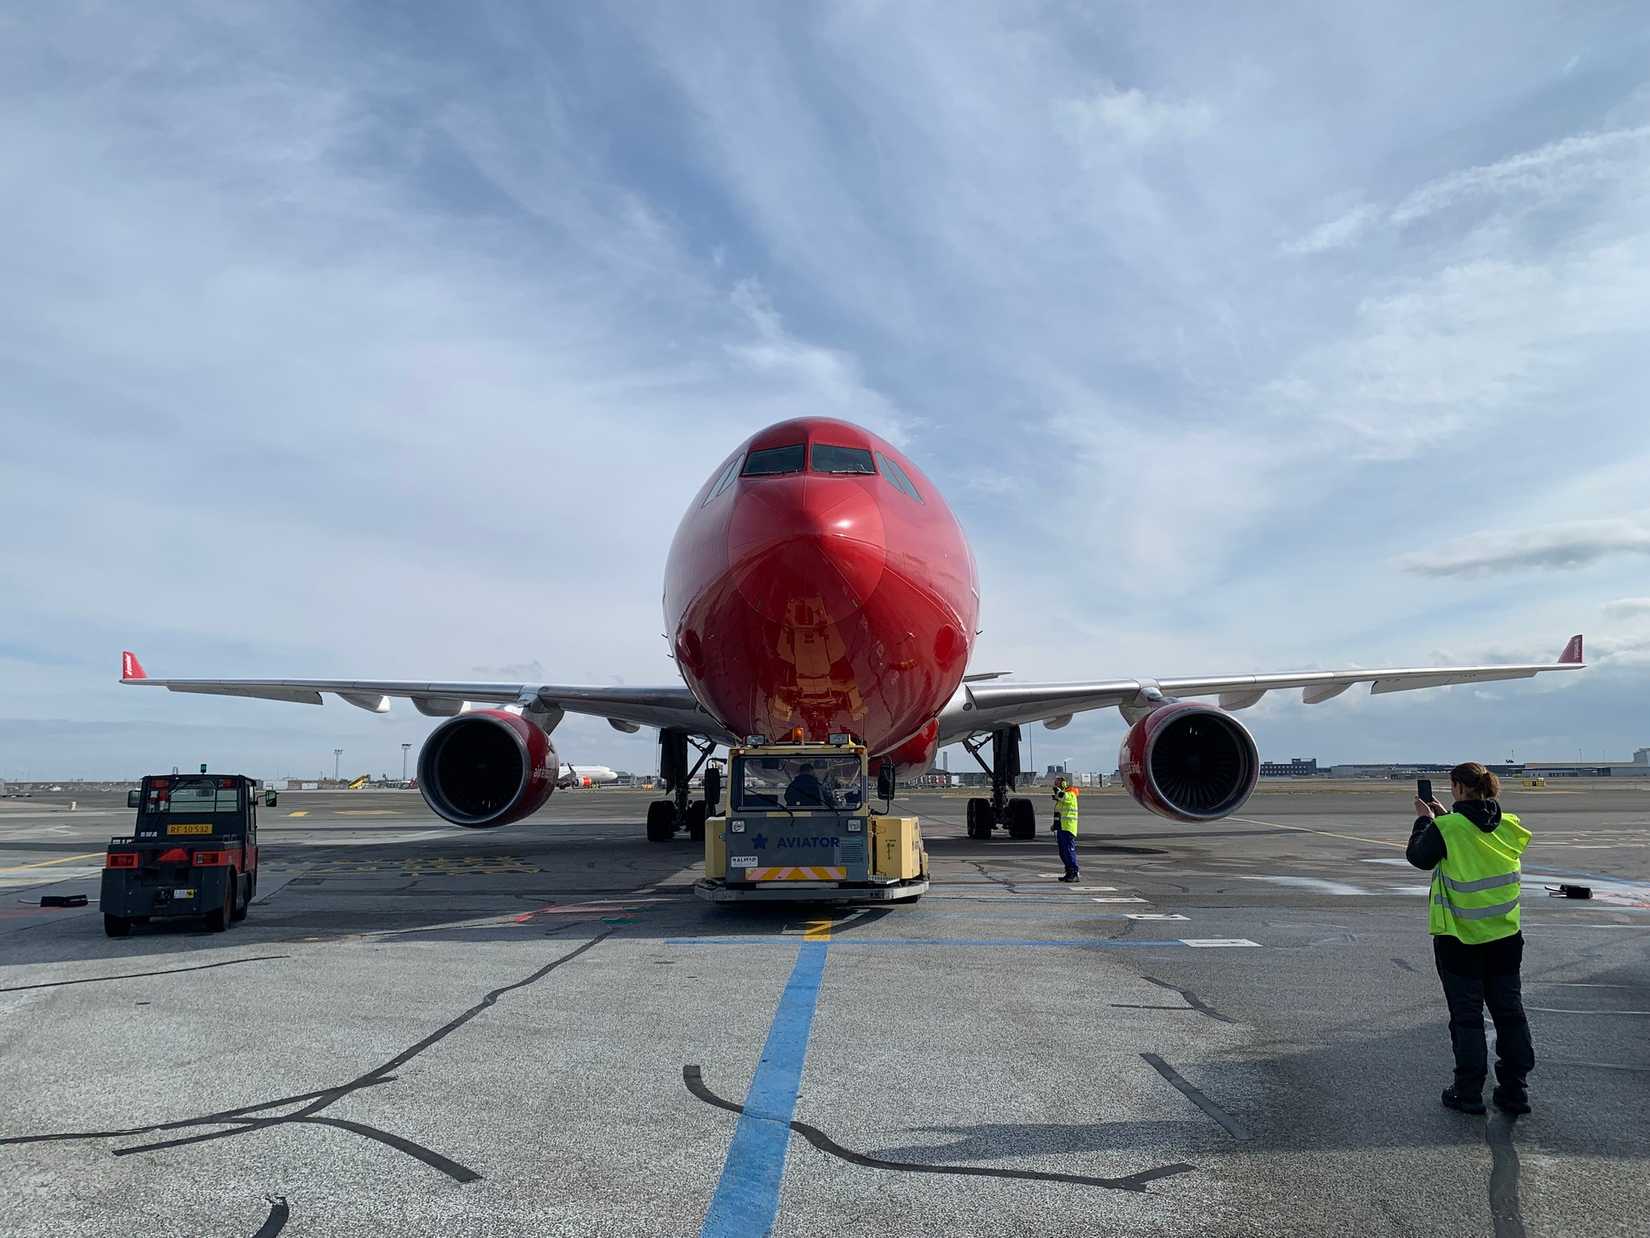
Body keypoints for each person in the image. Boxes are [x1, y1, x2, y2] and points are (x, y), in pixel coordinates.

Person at [1407, 761, 1535, 1116]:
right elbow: (1476, 836)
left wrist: (1425, 820)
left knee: (1467, 1017)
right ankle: (1515, 1090)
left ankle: (1468, 1092)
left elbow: (1419, 857)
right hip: (1505, 937)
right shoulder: (1508, 825)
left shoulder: (1446, 829)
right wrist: (1446, 819)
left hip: (1460, 939)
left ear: (1459, 788)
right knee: (1510, 1014)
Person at [1052, 775, 1080, 883]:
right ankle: (1069, 872)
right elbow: (1059, 813)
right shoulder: (1063, 796)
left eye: (1059, 781)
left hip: (1068, 828)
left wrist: (1057, 790)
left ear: (1064, 783)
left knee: (1068, 851)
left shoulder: (1071, 794)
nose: (1057, 783)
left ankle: (1074, 873)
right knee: (1063, 852)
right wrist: (1055, 825)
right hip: (1061, 827)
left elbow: (1063, 796)